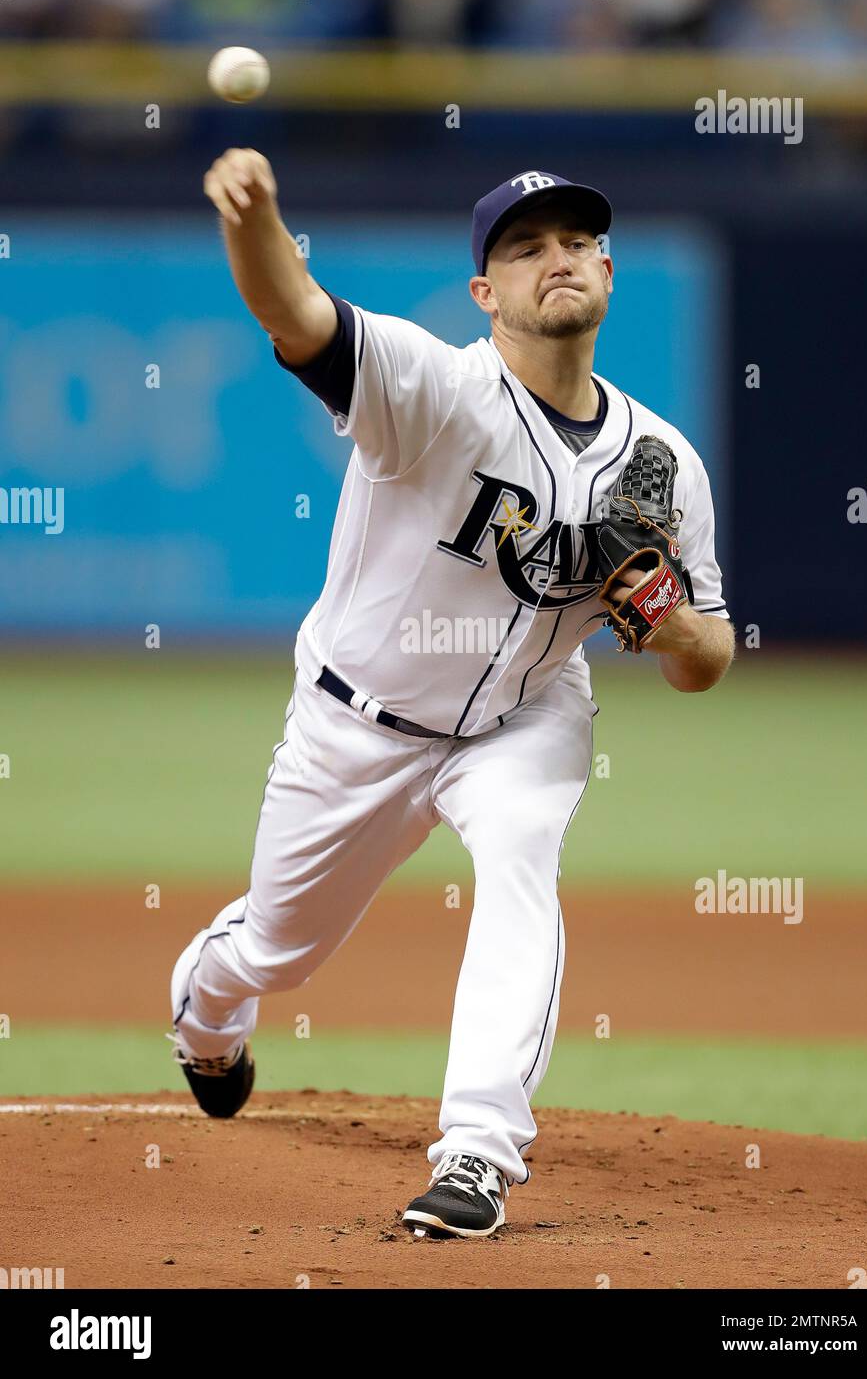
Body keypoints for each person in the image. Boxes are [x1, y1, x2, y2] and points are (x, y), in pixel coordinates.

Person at [168, 155, 734, 1239]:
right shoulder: (431, 387)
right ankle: (208, 1008)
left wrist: (666, 620)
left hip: (526, 714)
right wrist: (256, 219)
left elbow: (704, 658)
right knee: (277, 947)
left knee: (522, 857)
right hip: (356, 721)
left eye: (573, 242)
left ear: (608, 271)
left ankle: (476, 1152)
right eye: (524, 249)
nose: (554, 259)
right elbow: (294, 310)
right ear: (486, 294)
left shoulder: (665, 460)